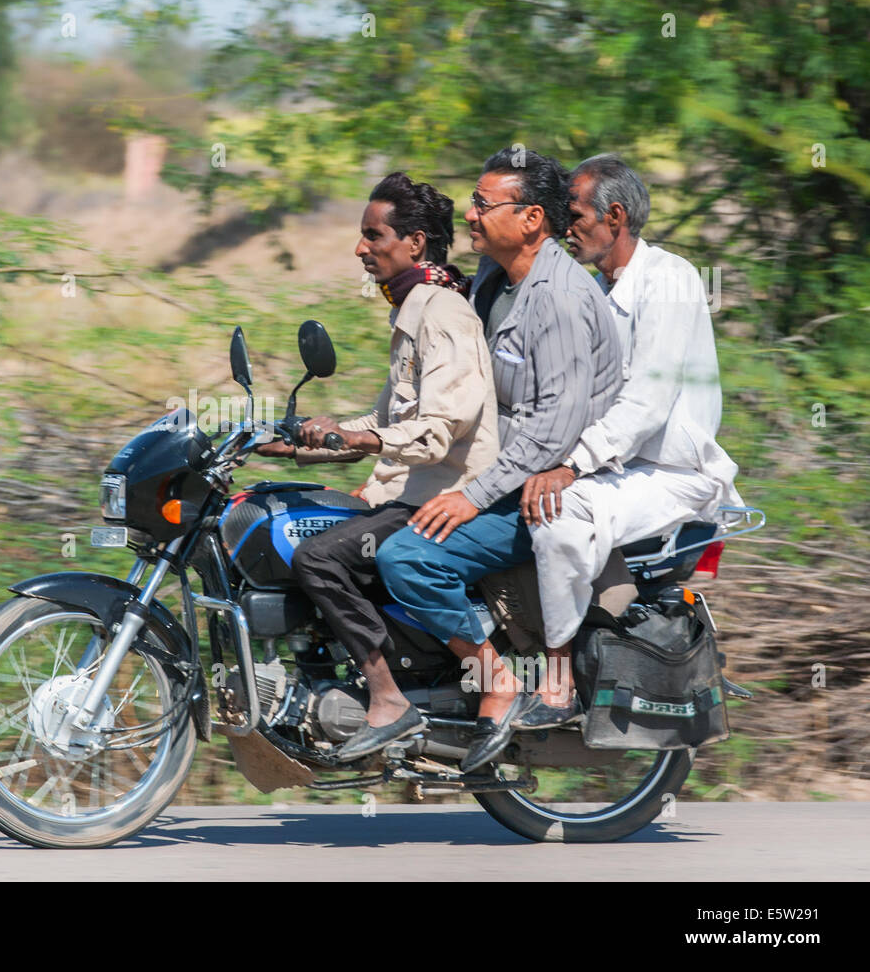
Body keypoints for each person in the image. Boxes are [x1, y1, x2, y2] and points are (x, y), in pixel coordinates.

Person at [375, 147, 623, 772]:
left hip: (543, 490)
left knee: (406, 555)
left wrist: (473, 496)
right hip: (495, 474)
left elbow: (553, 430)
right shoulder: (493, 279)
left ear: (532, 218)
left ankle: (495, 682)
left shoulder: (560, 300)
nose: (473, 216)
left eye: (485, 205)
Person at [256, 171, 499, 761]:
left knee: (316, 556)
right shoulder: (413, 309)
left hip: (450, 496)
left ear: (415, 242)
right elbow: (384, 420)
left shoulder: (441, 312)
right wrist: (293, 442)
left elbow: (438, 432)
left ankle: (390, 699)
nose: (360, 248)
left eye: (373, 235)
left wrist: (355, 439)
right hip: (413, 490)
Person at [514, 154, 744, 727]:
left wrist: (569, 467)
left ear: (614, 216)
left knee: (556, 510)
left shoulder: (667, 279)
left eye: (575, 215)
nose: (566, 228)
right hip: (620, 468)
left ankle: (558, 681)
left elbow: (646, 402)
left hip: (672, 473)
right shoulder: (596, 289)